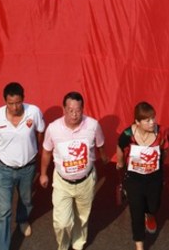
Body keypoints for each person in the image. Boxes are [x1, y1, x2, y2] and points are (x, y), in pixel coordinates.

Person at [39, 91, 106, 250]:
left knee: (82, 217)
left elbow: (100, 144)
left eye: (78, 110)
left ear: (83, 109)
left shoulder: (93, 125)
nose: (74, 115)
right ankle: (63, 246)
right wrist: (42, 174)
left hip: (86, 181)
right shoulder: (53, 129)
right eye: (70, 110)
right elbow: (47, 152)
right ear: (64, 109)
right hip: (63, 183)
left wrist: (104, 157)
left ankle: (78, 244)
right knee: (62, 223)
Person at [0, 81, 46, 250]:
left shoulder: (33, 112)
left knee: (26, 200)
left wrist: (38, 150)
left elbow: (40, 130)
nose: (14, 107)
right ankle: (3, 247)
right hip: (3, 168)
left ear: (23, 99)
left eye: (18, 102)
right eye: (10, 103)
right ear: (5, 101)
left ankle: (22, 220)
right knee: (4, 211)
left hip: (28, 168)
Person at [115, 101, 169, 250]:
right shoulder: (127, 134)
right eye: (147, 120)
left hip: (154, 178)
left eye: (153, 118)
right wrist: (120, 162)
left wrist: (159, 164)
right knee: (136, 211)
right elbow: (120, 147)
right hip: (134, 179)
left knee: (154, 205)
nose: (152, 122)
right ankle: (139, 245)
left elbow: (165, 150)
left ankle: (150, 215)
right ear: (137, 122)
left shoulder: (161, 132)